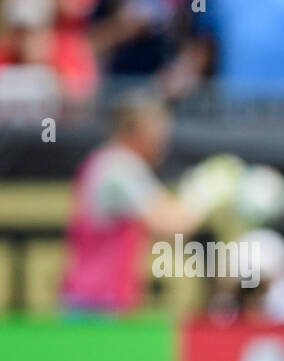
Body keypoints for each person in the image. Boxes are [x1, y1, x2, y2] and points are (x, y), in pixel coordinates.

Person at [60, 91, 214, 312]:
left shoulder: (106, 162)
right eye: (157, 131)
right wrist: (207, 191)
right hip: (95, 306)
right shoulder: (118, 168)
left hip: (97, 301)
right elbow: (171, 225)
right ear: (133, 130)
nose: (162, 141)